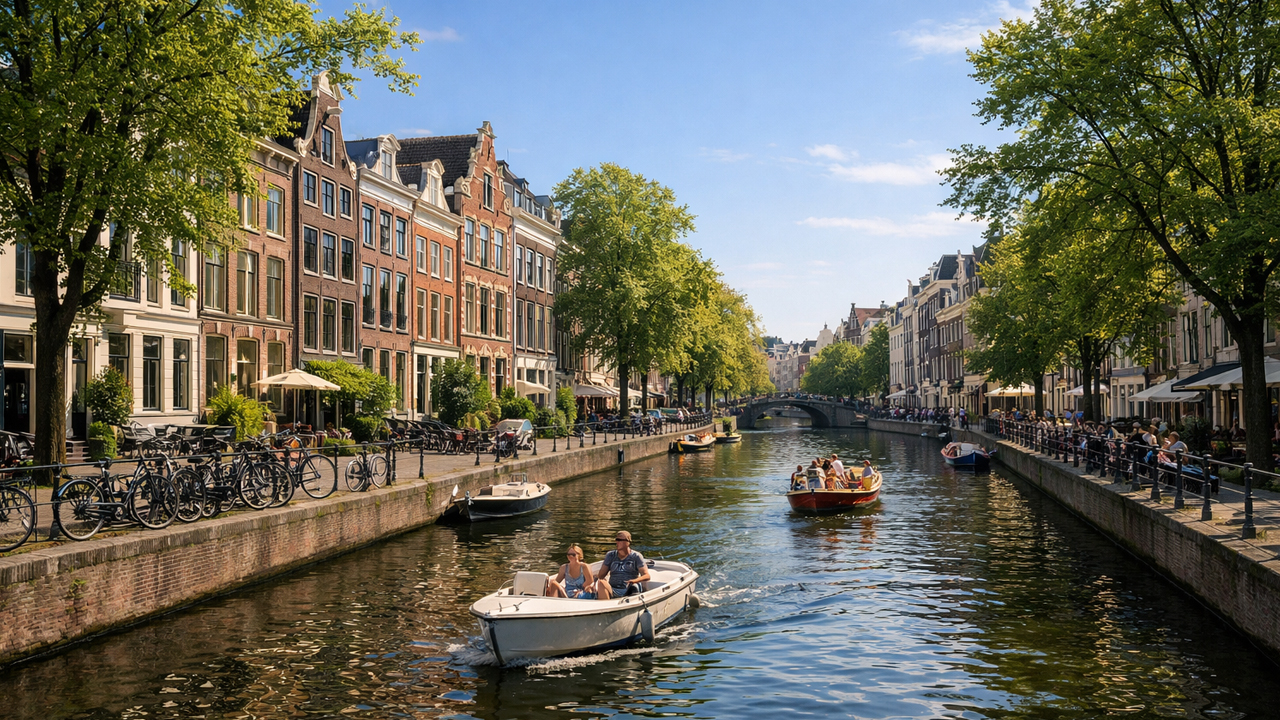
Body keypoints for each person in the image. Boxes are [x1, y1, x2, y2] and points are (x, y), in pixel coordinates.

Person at [594, 531, 650, 600]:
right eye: (616, 540)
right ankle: (607, 607)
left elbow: (647, 576)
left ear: (628, 542)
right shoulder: (610, 555)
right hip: (613, 589)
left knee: (634, 587)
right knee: (601, 582)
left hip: (629, 589)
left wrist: (634, 580)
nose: (617, 542)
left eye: (620, 540)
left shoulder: (636, 556)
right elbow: (601, 575)